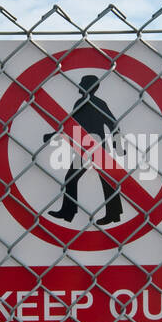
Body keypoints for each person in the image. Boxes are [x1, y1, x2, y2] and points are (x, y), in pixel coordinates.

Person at [44, 75, 123, 225]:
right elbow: (68, 125)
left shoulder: (98, 104)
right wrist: (52, 136)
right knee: (76, 178)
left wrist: (117, 146)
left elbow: (113, 124)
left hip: (97, 146)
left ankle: (112, 214)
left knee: (105, 180)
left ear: (88, 86)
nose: (79, 84)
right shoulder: (80, 103)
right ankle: (69, 212)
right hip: (85, 147)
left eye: (82, 82)